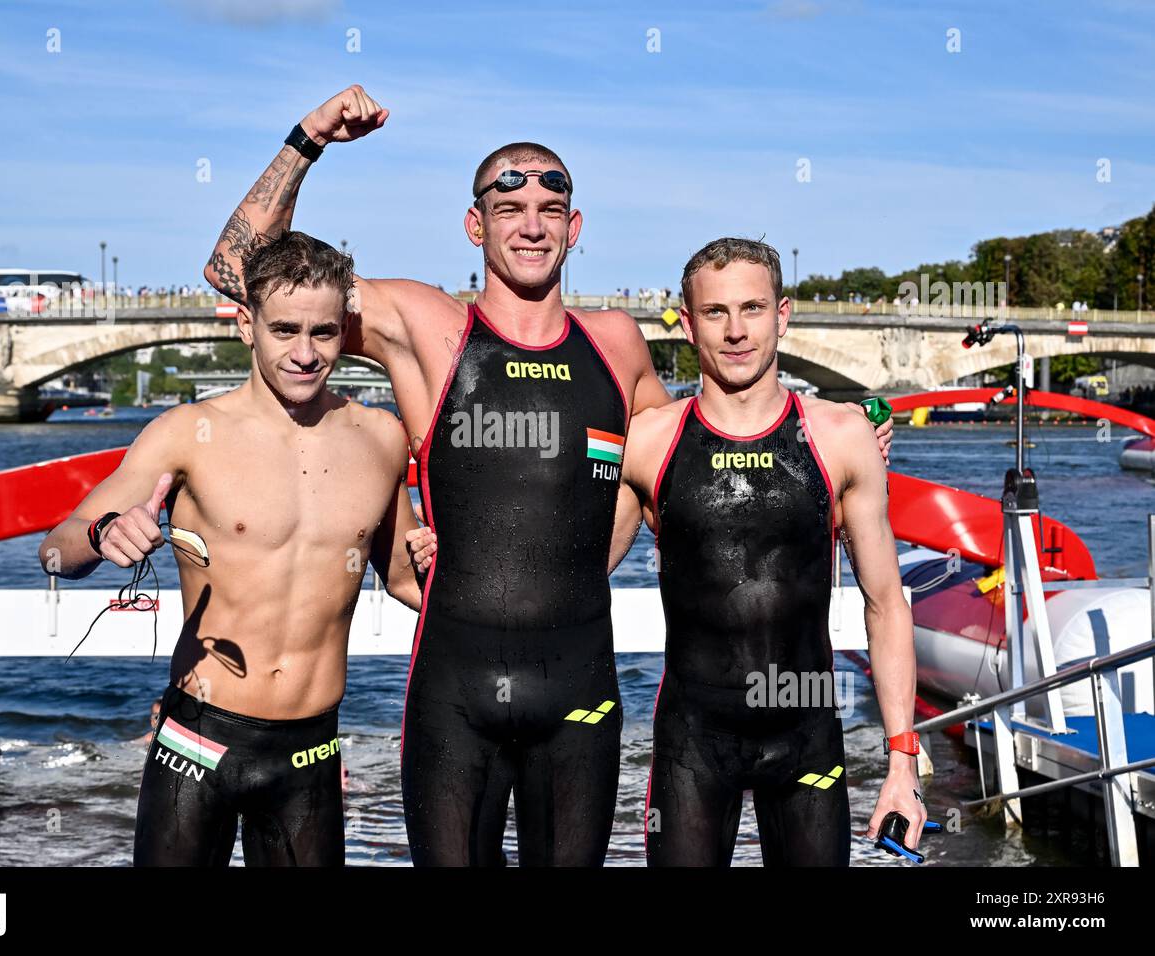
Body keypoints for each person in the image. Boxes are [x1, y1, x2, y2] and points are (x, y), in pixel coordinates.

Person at [203, 85, 893, 866]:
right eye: (509, 209)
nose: (531, 225)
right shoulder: (426, 326)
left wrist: (843, 451)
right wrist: (308, 139)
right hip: (454, 690)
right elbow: (238, 272)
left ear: (575, 228)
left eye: (549, 211)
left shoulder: (616, 342)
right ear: (474, 225)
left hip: (580, 692)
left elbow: (694, 462)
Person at [40, 231, 429, 867]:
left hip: (311, 752)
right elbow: (54, 550)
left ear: (344, 328)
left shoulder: (381, 438)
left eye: (324, 333)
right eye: (284, 331)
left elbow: (406, 581)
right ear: (246, 324)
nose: (305, 354)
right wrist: (101, 532)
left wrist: (456, 571)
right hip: (198, 743)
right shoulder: (186, 434)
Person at [612, 238, 920, 865]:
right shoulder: (648, 441)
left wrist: (902, 763)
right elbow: (574, 574)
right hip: (693, 741)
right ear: (687, 319)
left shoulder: (840, 435)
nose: (735, 331)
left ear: (782, 314)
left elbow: (886, 603)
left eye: (752, 309)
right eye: (715, 312)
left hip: (805, 735)